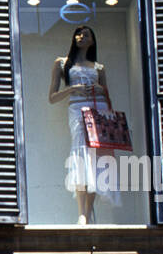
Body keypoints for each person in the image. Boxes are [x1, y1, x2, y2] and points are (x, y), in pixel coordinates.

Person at [48, 25, 120, 224]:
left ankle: (87, 213)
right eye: (78, 34)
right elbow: (52, 97)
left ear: (92, 41)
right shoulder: (62, 63)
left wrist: (98, 88)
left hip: (98, 110)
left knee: (96, 158)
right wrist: (73, 89)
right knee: (80, 155)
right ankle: (81, 212)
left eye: (86, 34)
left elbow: (107, 95)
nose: (80, 37)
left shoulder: (99, 67)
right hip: (78, 111)